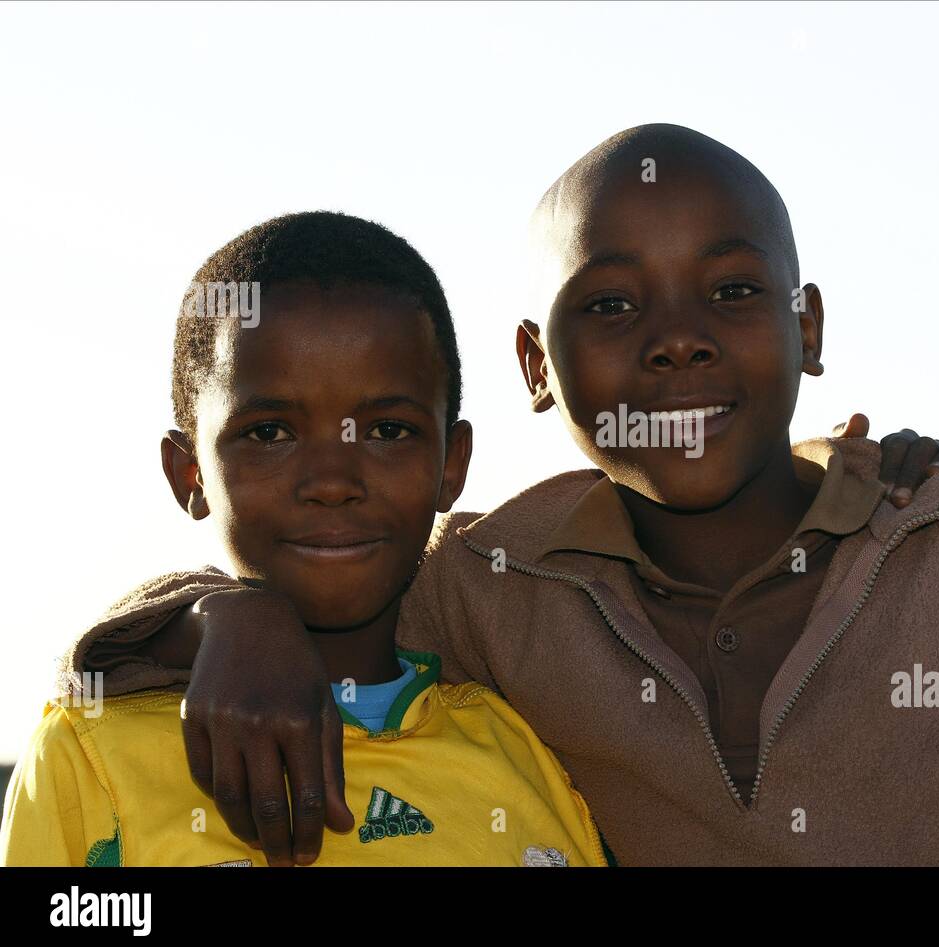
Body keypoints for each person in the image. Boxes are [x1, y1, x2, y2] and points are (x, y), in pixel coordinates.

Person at [59, 124, 939, 867]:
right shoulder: (494, 591)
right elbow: (311, 559)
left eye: (729, 291)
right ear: (533, 366)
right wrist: (230, 611)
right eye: (612, 306)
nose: (675, 344)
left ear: (805, 328)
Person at [1, 212, 607, 866]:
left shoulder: (523, 755)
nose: (332, 480)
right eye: (269, 433)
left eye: (387, 431)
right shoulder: (94, 757)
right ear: (190, 474)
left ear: (450, 465)